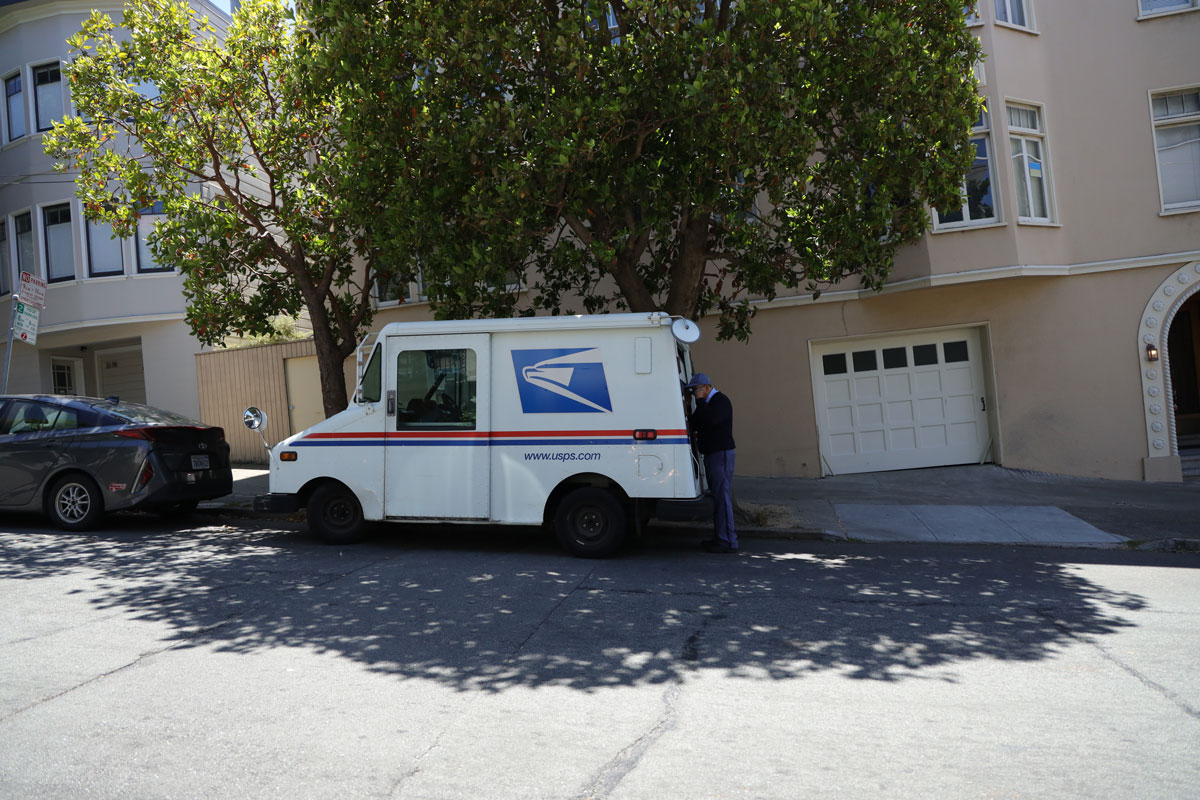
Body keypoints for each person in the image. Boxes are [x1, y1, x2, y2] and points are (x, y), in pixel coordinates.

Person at [686, 373, 738, 554]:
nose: (694, 394)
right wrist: (690, 406)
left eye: (696, 390)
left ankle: (728, 541)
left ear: (706, 387)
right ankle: (720, 537)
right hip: (712, 454)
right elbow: (694, 423)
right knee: (717, 497)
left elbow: (711, 421)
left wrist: (700, 402)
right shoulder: (706, 405)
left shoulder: (720, 401)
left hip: (720, 454)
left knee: (722, 497)